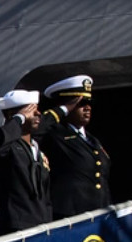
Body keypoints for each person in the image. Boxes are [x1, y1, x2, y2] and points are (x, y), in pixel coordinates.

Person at [39, 74, 111, 218]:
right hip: (70, 215)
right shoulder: (55, 133)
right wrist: (62, 110)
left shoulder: (92, 140)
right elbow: (35, 129)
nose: (87, 108)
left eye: (89, 102)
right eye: (80, 103)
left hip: (99, 213)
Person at [0, 89, 52, 235]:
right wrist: (18, 118)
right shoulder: (7, 146)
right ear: (13, 115)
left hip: (42, 224)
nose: (38, 114)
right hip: (17, 227)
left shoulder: (36, 147)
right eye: (31, 111)